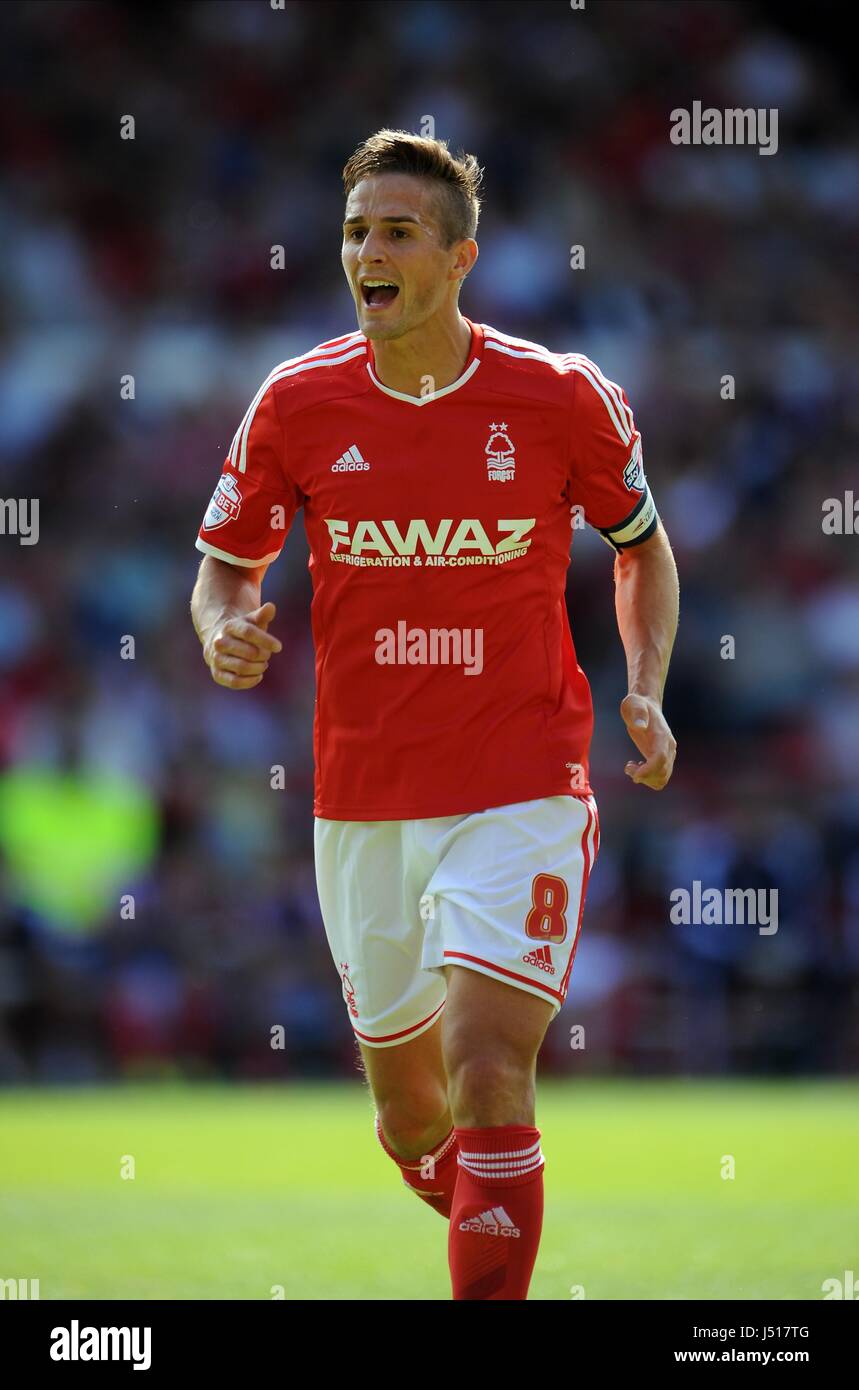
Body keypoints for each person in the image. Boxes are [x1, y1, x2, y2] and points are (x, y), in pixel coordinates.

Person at [190, 129, 678, 1300]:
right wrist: (222, 628)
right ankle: (477, 1202)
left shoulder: (559, 399)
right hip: (363, 798)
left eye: (397, 231)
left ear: (460, 256)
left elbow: (641, 550)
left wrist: (646, 685)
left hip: (522, 782)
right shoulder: (296, 402)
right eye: (357, 230)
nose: (369, 250)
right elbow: (222, 568)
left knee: (487, 1066)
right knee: (414, 1117)